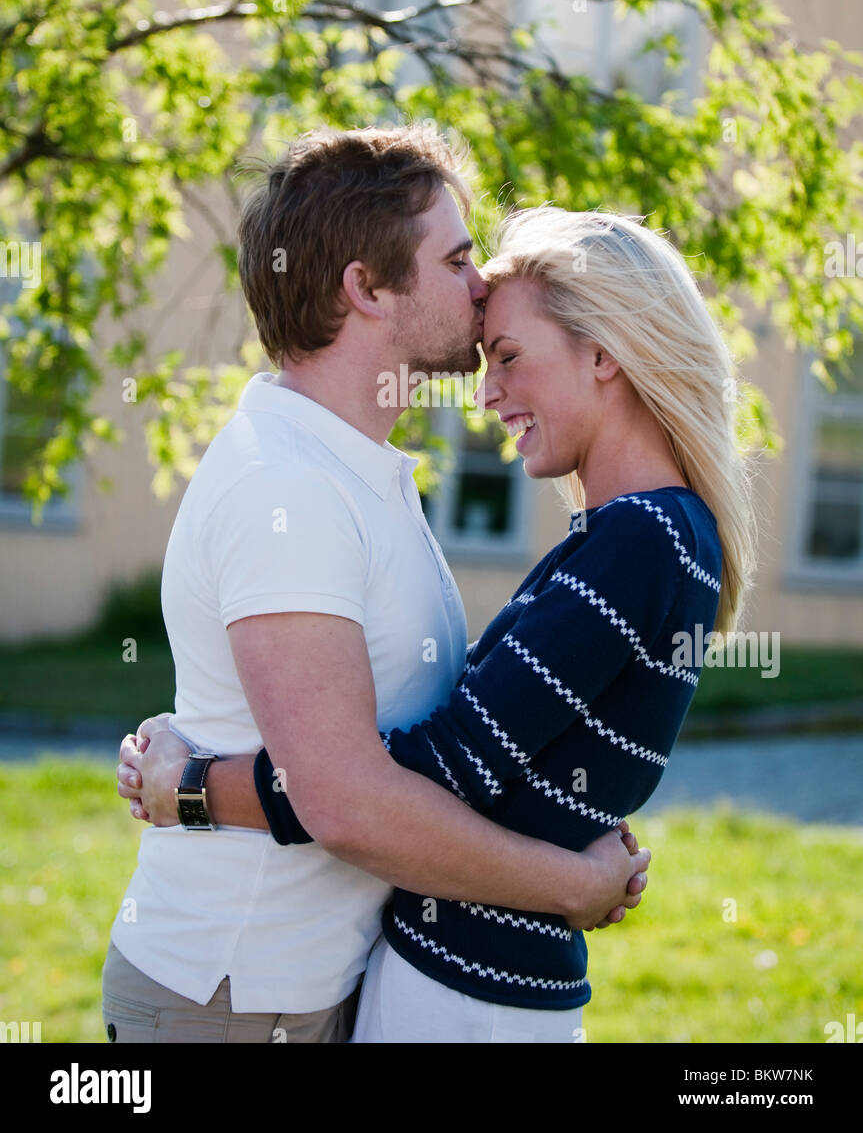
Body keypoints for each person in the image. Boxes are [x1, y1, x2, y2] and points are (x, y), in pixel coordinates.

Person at [119, 203, 755, 1043]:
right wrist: (575, 867)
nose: (489, 393)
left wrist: (193, 785)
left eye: (510, 358)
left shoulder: (642, 539)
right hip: (464, 988)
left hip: (467, 1001)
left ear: (603, 354)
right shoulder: (645, 537)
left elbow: (440, 766)